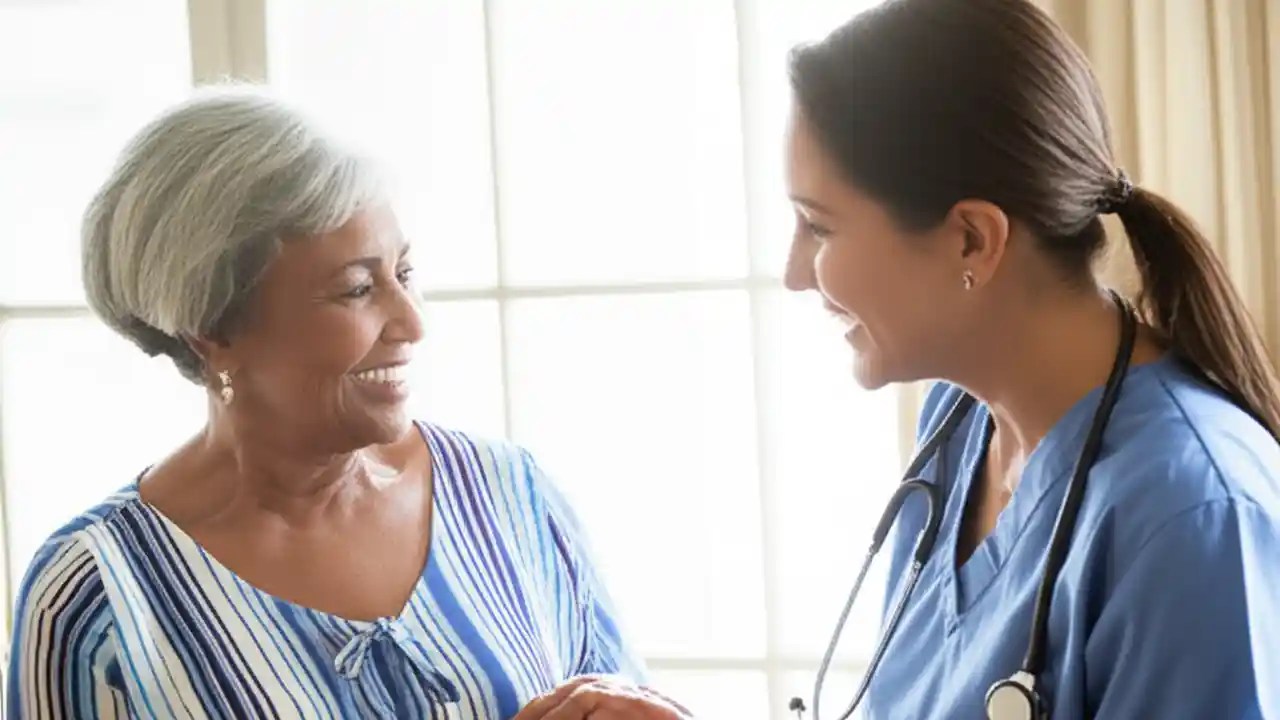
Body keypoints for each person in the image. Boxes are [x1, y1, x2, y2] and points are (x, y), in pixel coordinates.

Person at [5, 88, 690, 720]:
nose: (412, 322)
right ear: (211, 327)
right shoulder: (93, 591)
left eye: (405, 273)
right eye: (358, 289)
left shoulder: (511, 495)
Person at [783, 0, 1280, 717]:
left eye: (817, 226)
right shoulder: (957, 429)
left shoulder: (1193, 518)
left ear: (972, 242)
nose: (795, 273)